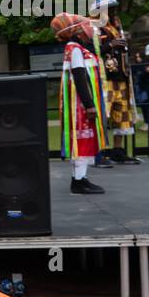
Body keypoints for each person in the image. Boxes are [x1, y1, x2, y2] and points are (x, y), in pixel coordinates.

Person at [53, 14, 107, 194]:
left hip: (80, 104)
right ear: (76, 29)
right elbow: (79, 77)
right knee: (82, 140)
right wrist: (89, 104)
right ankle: (78, 181)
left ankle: (80, 178)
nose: (89, 29)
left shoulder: (75, 48)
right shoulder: (75, 48)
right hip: (79, 106)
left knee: (83, 139)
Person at [92, 0, 139, 164]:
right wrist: (111, 45)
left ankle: (118, 151)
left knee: (122, 114)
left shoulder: (116, 26)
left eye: (113, 10)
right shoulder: (94, 27)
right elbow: (93, 51)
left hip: (121, 76)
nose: (113, 13)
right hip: (106, 79)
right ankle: (99, 152)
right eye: (109, 10)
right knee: (103, 114)